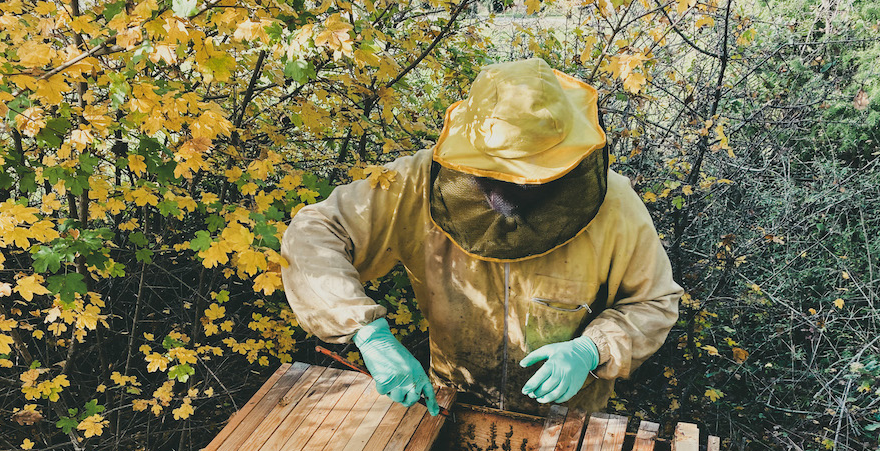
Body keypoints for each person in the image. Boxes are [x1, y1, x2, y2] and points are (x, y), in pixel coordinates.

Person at [281, 58, 683, 417]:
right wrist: (367, 333)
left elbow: (654, 301)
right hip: (450, 398)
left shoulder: (615, 206)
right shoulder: (414, 186)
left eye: (532, 178)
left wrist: (592, 349)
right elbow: (313, 234)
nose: (514, 189)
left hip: (568, 418)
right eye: (501, 174)